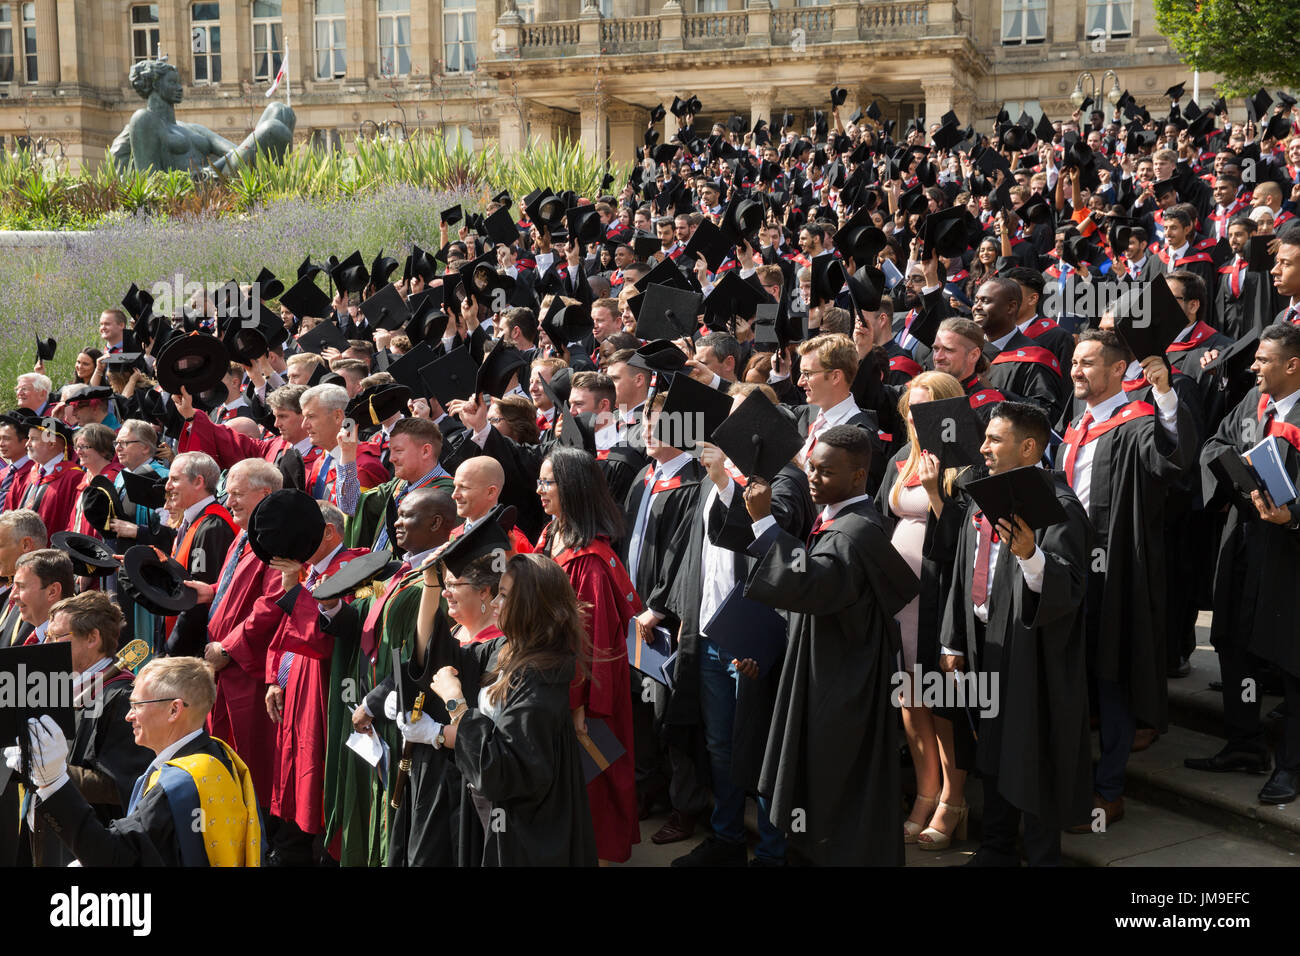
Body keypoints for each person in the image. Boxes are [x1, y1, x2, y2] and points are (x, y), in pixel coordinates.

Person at [744, 425, 919, 865]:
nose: (813, 479)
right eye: (811, 469)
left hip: (841, 687)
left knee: (834, 791)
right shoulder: (846, 524)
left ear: (859, 477)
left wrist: (764, 522)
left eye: (825, 472)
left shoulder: (852, 534)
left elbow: (813, 585)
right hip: (836, 672)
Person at [941, 403, 1093, 865]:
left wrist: (1030, 554)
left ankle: (1043, 855)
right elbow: (962, 568)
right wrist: (951, 637)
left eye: (994, 440)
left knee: (1033, 751)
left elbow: (1068, 587)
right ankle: (996, 847)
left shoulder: (1058, 506)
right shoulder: (983, 495)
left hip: (1034, 655)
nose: (983, 448)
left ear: (1027, 447)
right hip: (984, 642)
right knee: (992, 749)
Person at [1057, 330, 1197, 830]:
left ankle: (1108, 787)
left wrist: (1163, 395)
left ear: (1119, 370)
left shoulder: (1137, 422)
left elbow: (1172, 461)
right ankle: (1070, 779)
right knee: (1072, 676)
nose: (1076, 370)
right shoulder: (1074, 424)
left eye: (1088, 363)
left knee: (1111, 674)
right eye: (1074, 361)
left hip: (1112, 569)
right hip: (1065, 567)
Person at [419, 552, 599, 866]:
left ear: (530, 603)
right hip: (496, 819)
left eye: (504, 595)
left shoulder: (540, 676)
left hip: (525, 835)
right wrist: (431, 586)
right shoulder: (508, 649)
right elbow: (438, 656)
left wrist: (456, 705)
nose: (496, 603)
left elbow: (501, 770)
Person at [1190, 324, 1300, 804]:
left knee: (1294, 660)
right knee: (1235, 643)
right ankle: (1246, 740)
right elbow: (1214, 444)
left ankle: (1292, 766)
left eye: (1264, 360)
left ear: (1292, 365)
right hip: (1243, 540)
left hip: (1291, 551)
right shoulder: (1253, 406)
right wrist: (1240, 474)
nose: (1253, 367)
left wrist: (1293, 515)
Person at [12, 657, 260, 866]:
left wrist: (54, 783)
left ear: (174, 710)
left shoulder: (178, 785)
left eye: (137, 705)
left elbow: (114, 858)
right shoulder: (220, 755)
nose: (129, 715)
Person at [331, 487, 458, 866]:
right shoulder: (401, 572)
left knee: (399, 813)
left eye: (407, 517)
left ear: (436, 523)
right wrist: (332, 603)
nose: (396, 523)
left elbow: (422, 654)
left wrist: (373, 702)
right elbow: (368, 610)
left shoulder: (437, 582)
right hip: (380, 703)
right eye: (397, 515)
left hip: (406, 710)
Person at [874, 371, 970, 848]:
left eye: (926, 408)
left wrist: (935, 492)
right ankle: (926, 790)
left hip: (938, 593)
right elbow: (879, 518)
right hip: (900, 596)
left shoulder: (964, 463)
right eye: (911, 407)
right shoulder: (899, 459)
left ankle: (955, 798)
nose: (916, 416)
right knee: (909, 696)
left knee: (942, 698)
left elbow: (965, 541)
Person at [536, 447, 641, 863]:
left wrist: (580, 705)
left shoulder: (592, 562)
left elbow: (592, 643)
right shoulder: (552, 533)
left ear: (574, 488)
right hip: (550, 676)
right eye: (540, 481)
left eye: (549, 482)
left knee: (591, 777)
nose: (540, 490)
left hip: (583, 692)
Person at [264, 501, 367, 866]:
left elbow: (324, 640)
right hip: (294, 692)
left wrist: (293, 590)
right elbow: (283, 630)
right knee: (292, 787)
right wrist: (275, 678)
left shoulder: (355, 567)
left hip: (325, 691)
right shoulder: (307, 570)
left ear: (328, 531)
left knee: (316, 784)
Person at [185, 458, 286, 811]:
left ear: (266, 493)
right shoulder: (244, 533)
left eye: (238, 495)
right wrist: (211, 591)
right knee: (223, 749)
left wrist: (228, 647)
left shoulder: (277, 539)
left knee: (250, 757)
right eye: (229, 495)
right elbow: (236, 584)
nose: (230, 503)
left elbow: (273, 603)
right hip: (224, 667)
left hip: (247, 670)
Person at [24, 591, 153, 867]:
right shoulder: (62, 688)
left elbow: (119, 787)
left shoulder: (122, 698)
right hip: (57, 838)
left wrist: (49, 769)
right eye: (48, 636)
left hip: (92, 846)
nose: (47, 645)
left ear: (93, 638)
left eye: (57, 637)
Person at [161, 452, 238, 657]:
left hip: (193, 651)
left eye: (175, 479)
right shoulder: (195, 522)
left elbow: (199, 597)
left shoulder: (212, 526)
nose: (168, 486)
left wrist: (174, 650)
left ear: (198, 482)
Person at [344, 416, 454, 553]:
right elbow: (351, 504)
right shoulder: (398, 485)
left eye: (399, 451)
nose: (391, 459)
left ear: (425, 451)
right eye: (391, 451)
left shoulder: (446, 494)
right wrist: (347, 455)